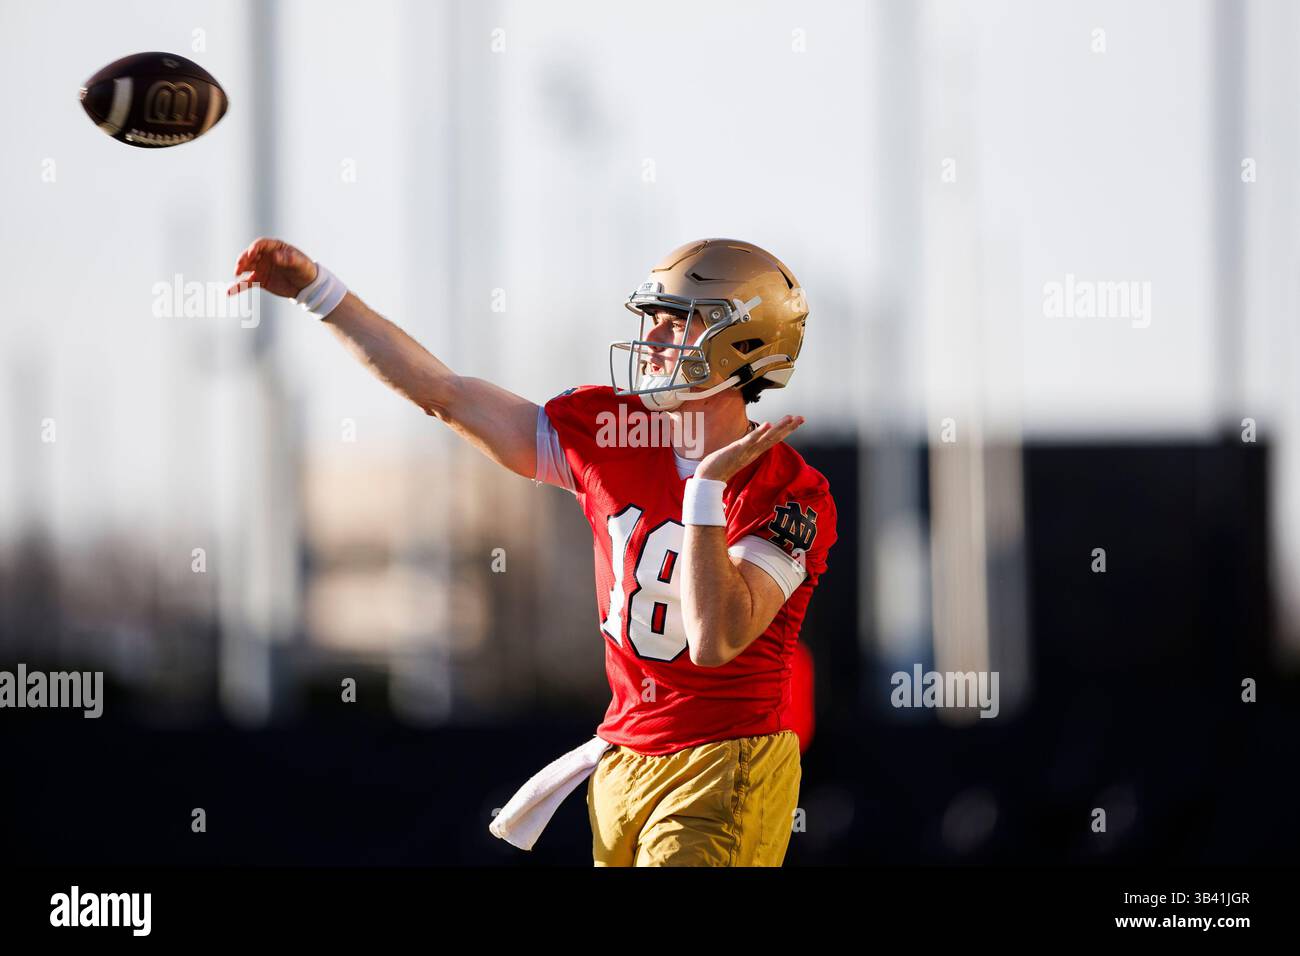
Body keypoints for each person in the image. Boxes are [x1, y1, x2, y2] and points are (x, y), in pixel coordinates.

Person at [227, 237, 836, 866]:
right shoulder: (611, 430)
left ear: (742, 342)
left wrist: (705, 492)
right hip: (625, 755)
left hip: (724, 758)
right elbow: (446, 394)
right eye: (651, 319)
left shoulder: (790, 493)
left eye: (675, 321)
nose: (652, 340)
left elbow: (716, 639)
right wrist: (318, 290)